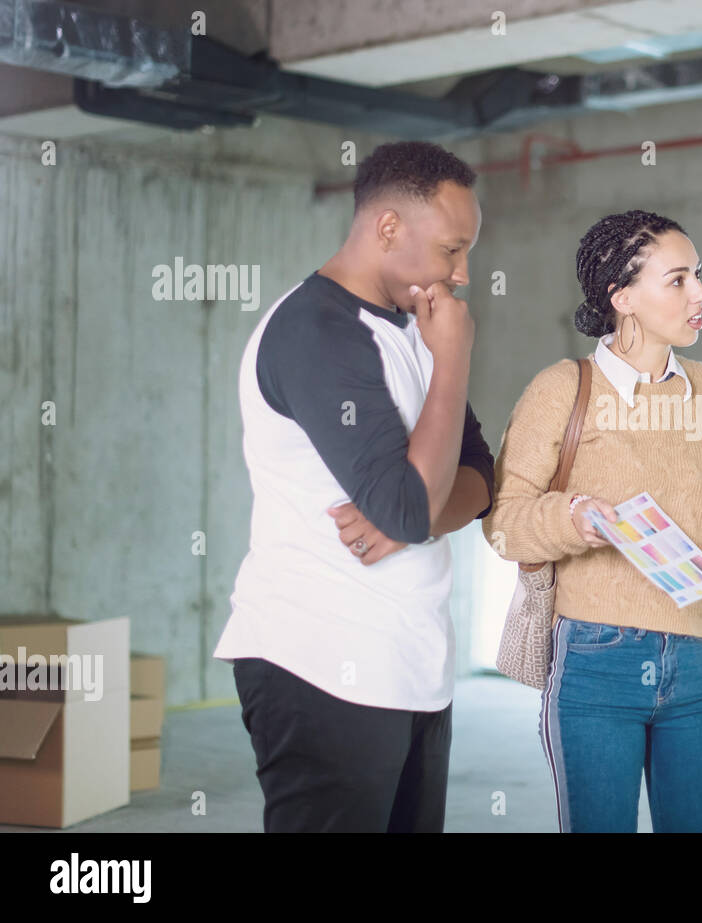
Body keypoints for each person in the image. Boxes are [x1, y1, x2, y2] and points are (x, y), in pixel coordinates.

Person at [214, 141, 496, 832]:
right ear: (388, 227)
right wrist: (454, 360)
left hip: (410, 667)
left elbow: (484, 474)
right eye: (452, 251)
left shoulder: (409, 328)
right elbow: (406, 503)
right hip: (320, 663)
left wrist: (416, 512)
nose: (461, 275)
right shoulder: (315, 331)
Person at [481, 210, 702, 832]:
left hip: (700, 660)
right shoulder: (562, 389)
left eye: (699, 276)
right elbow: (503, 523)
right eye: (679, 279)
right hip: (595, 657)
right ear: (623, 298)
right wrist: (574, 518)